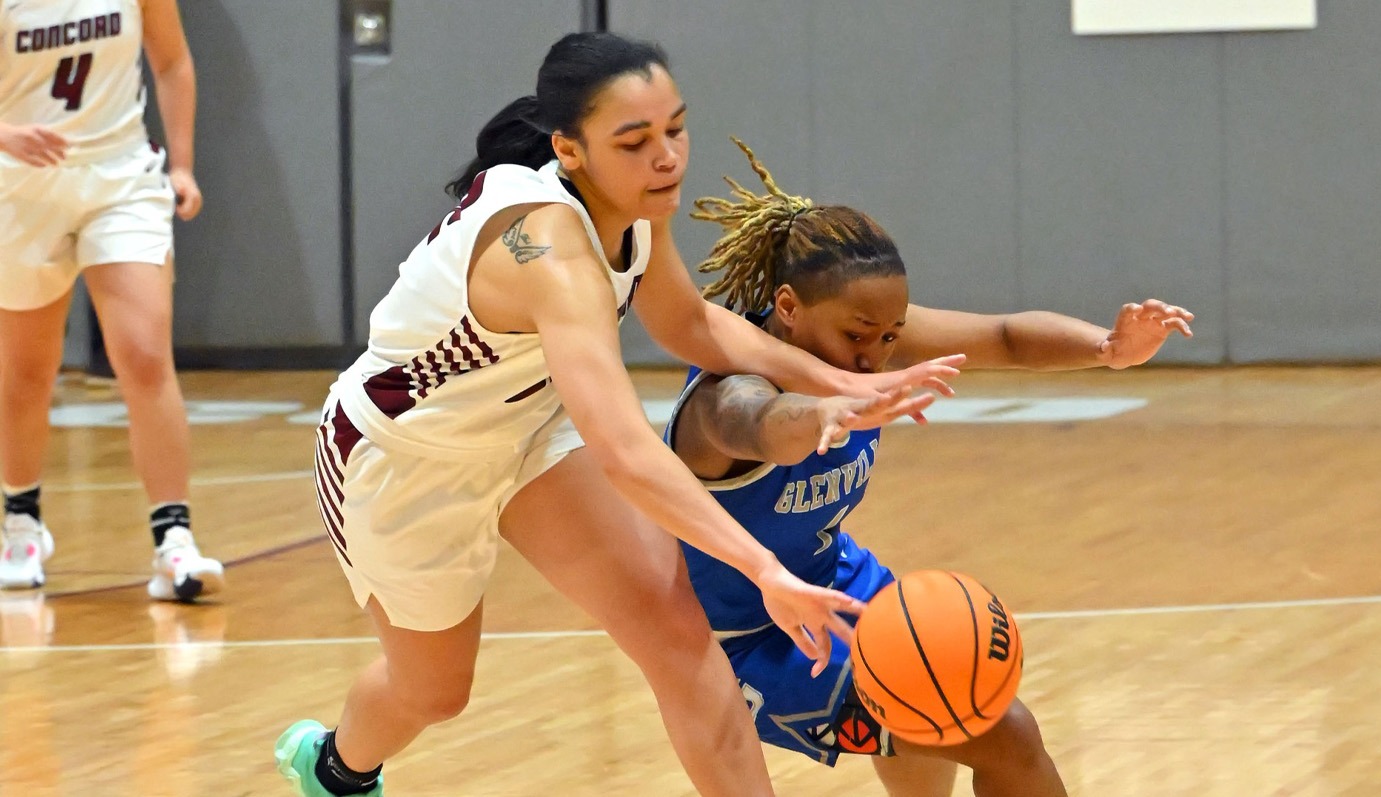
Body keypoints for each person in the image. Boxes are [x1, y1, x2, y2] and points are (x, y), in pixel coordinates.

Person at [274, 33, 962, 797]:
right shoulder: (549, 254)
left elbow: (689, 324)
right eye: (635, 142)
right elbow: (628, 453)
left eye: (675, 128)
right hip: (402, 459)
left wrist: (835, 382)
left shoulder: (633, 205)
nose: (666, 158)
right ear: (569, 149)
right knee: (434, 690)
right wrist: (764, 568)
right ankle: (334, 769)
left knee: (679, 635)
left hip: (528, 432)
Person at [664, 138, 1196, 797]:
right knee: (1004, 733)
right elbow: (757, 422)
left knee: (940, 703)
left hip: (835, 582)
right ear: (790, 308)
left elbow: (1004, 338)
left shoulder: (865, 335)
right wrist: (822, 412)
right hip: (747, 637)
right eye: (858, 335)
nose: (874, 354)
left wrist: (1109, 348)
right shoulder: (725, 392)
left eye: (890, 335)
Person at [0, 0, 224, 601]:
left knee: (145, 356)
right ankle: (21, 522)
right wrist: (7, 135)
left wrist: (182, 166)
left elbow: (172, 62)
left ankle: (174, 540)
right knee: (26, 370)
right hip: (19, 185)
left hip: (120, 176)